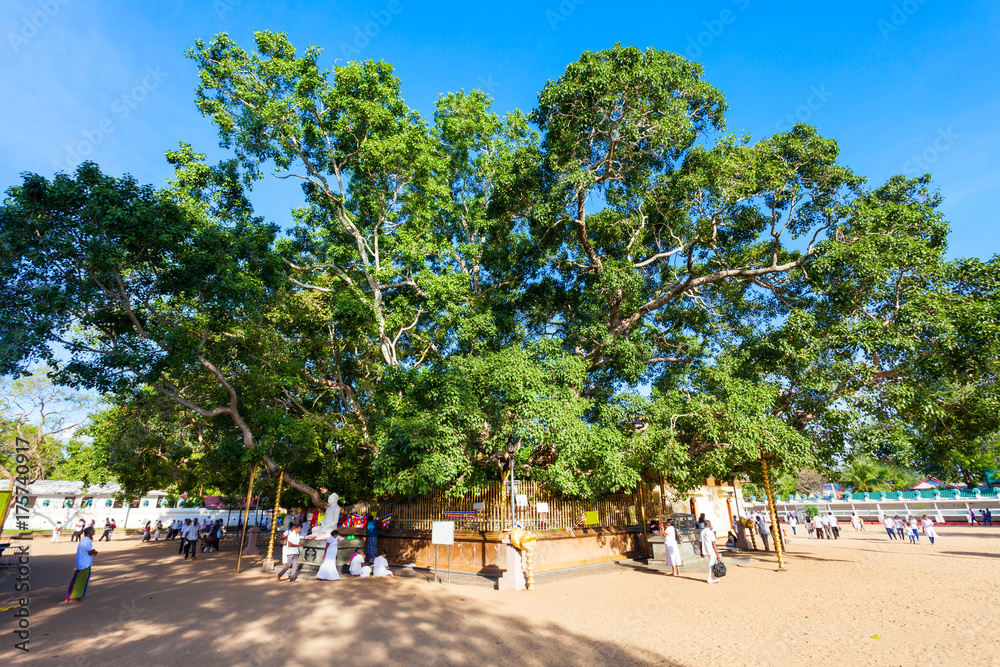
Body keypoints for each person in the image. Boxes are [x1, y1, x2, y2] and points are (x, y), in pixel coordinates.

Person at [65, 526, 97, 603]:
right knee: (80, 581)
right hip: (85, 564)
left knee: (76, 580)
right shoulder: (87, 541)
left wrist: (92, 551)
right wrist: (94, 552)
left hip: (81, 563)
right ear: (90, 532)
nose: (94, 531)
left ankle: (69, 597)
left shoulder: (83, 540)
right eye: (93, 530)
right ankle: (73, 598)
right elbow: (89, 552)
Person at [700, 519, 721, 584]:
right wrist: (717, 553)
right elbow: (713, 543)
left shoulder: (702, 532)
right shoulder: (710, 532)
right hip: (711, 549)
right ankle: (710, 578)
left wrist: (701, 551)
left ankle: (713, 576)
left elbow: (700, 542)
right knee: (712, 563)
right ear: (709, 525)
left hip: (705, 549)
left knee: (713, 562)